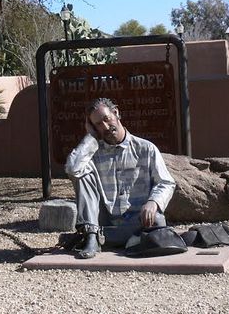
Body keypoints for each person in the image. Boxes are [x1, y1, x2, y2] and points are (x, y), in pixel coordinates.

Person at [65, 97, 176, 259]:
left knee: (157, 221)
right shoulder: (92, 153)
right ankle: (92, 236)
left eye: (106, 119)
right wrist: (90, 137)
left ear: (116, 112)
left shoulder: (146, 148)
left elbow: (166, 182)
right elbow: (73, 169)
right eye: (97, 124)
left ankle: (108, 240)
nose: (105, 127)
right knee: (83, 174)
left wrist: (154, 202)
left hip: (140, 223)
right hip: (105, 224)